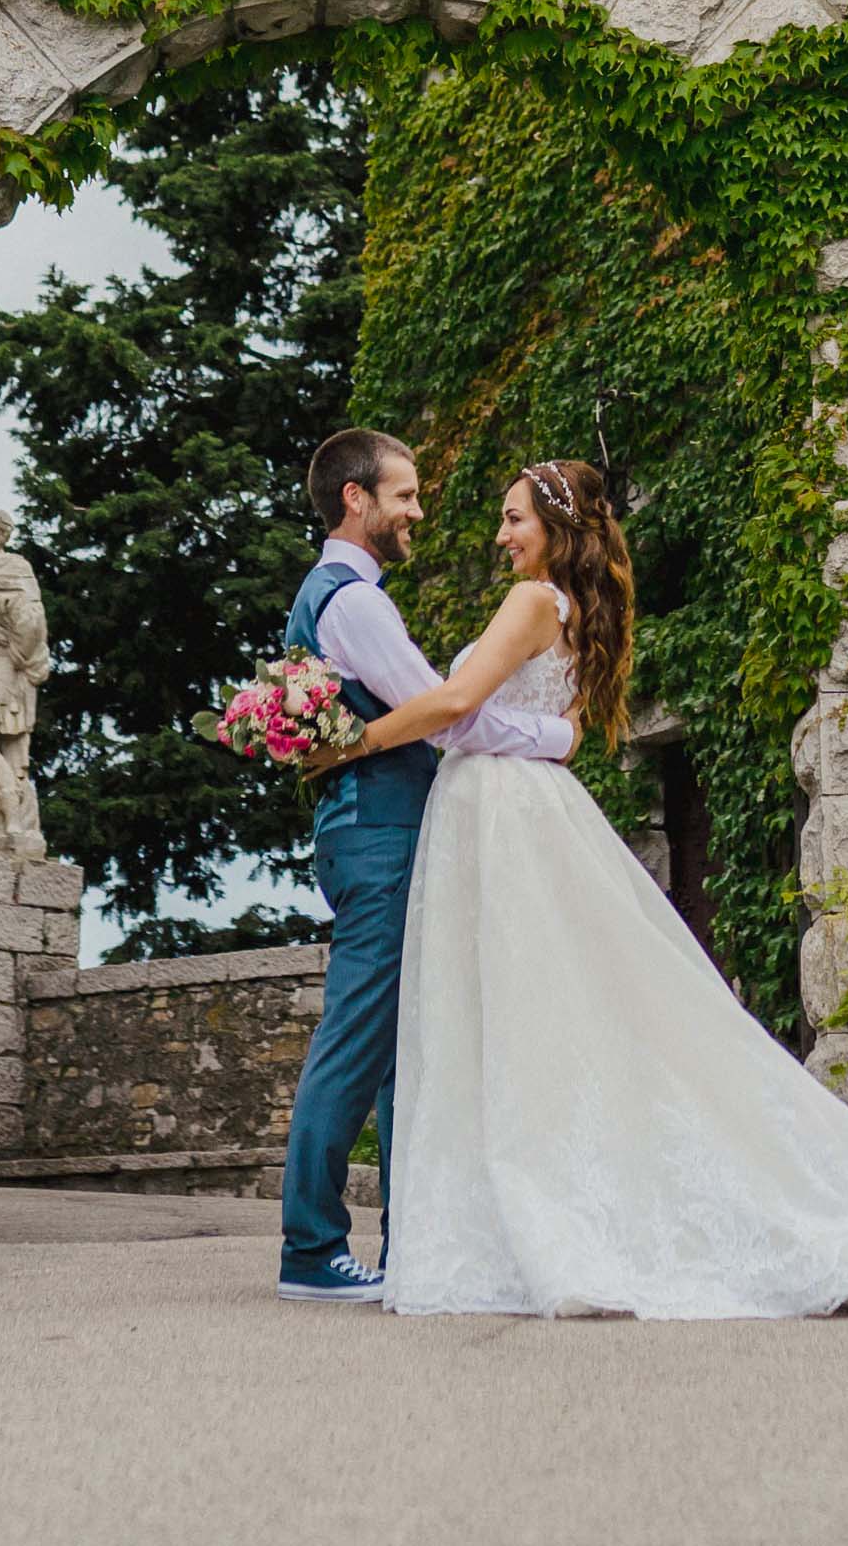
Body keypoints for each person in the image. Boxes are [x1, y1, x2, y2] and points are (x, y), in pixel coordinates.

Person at [331, 457, 848, 1328]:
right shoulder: (577, 610)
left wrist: (348, 745)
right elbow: (558, 732)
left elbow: (453, 704)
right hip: (512, 805)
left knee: (517, 1009)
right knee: (551, 1008)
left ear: (556, 528)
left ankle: (539, 1209)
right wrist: (531, 735)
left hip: (499, 814)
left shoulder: (529, 601)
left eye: (514, 519)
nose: (501, 534)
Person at [269, 428, 579, 1303]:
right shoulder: (354, 603)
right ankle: (310, 1249)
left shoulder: (335, 594)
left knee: (404, 1046)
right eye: (403, 495)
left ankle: (413, 1238)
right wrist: (557, 736)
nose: (417, 511)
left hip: (369, 828)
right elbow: (449, 716)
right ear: (355, 499)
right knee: (358, 1039)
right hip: (382, 832)